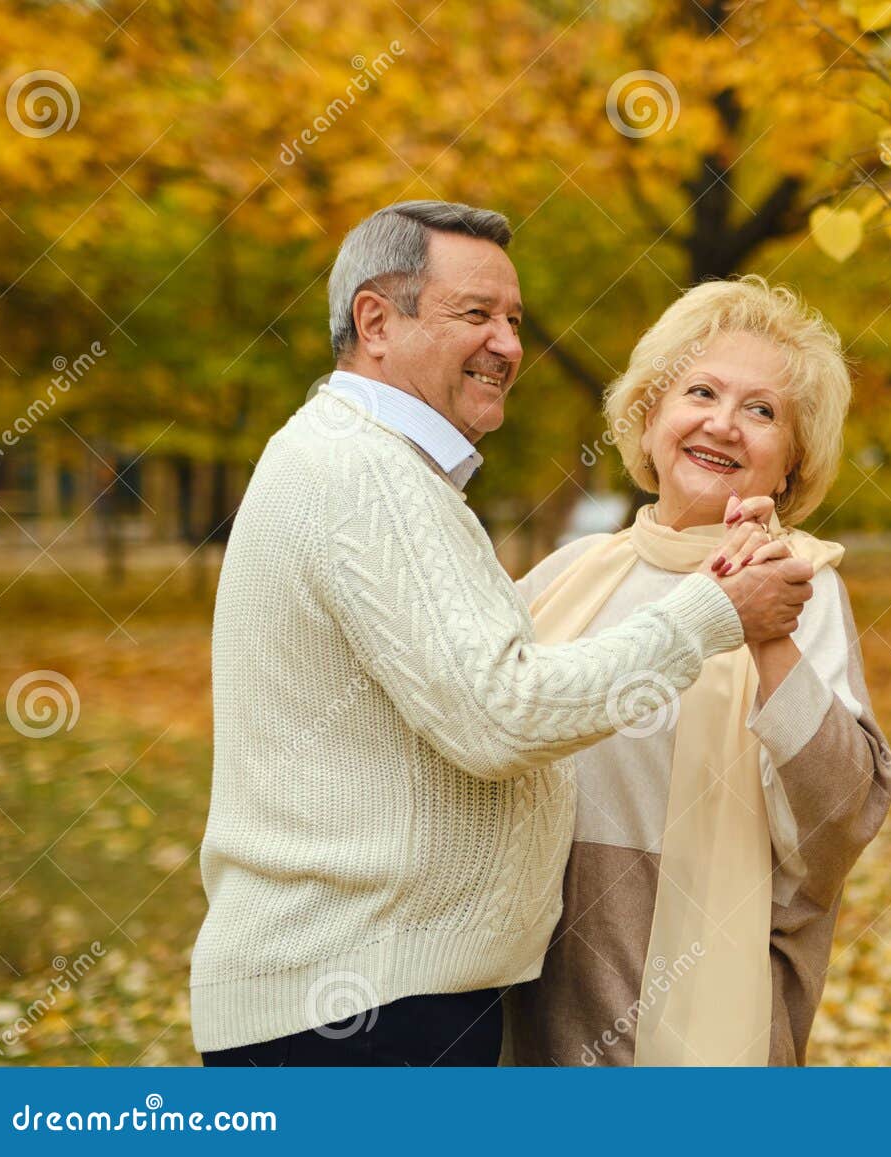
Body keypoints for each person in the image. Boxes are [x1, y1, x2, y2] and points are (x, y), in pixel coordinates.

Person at [191, 202, 815, 1067]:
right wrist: (715, 615)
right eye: (476, 314)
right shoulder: (365, 474)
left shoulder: (375, 467)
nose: (509, 345)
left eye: (515, 320)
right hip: (357, 1012)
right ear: (376, 321)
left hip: (382, 998)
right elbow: (504, 713)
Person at [503, 276, 891, 1066]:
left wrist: (769, 636)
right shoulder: (565, 575)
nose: (723, 423)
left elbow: (838, 822)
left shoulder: (805, 586)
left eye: (762, 411)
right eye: (701, 391)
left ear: (791, 463)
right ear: (649, 420)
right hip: (532, 991)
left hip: (700, 1008)